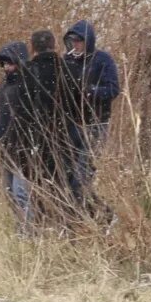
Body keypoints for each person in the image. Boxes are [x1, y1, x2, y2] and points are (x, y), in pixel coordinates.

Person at [61, 19, 120, 218]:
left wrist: (89, 91)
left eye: (79, 41)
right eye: (72, 41)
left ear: (88, 41)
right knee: (68, 178)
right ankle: (82, 219)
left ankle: (106, 215)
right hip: (72, 124)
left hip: (96, 124)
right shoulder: (66, 61)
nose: (75, 45)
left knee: (82, 177)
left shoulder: (103, 60)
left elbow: (113, 89)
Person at [20, 30, 76, 220]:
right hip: (64, 133)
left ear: (33, 47)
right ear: (54, 45)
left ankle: (43, 221)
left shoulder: (27, 70)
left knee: (37, 181)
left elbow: (21, 105)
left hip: (36, 134)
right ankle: (68, 220)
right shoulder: (66, 68)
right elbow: (76, 102)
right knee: (65, 180)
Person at [0, 41, 33, 230]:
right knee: (9, 191)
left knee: (21, 191)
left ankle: (29, 231)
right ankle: (22, 227)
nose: (6, 67)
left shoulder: (29, 84)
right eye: (4, 64)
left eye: (10, 63)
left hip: (24, 145)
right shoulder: (4, 84)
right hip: (6, 144)